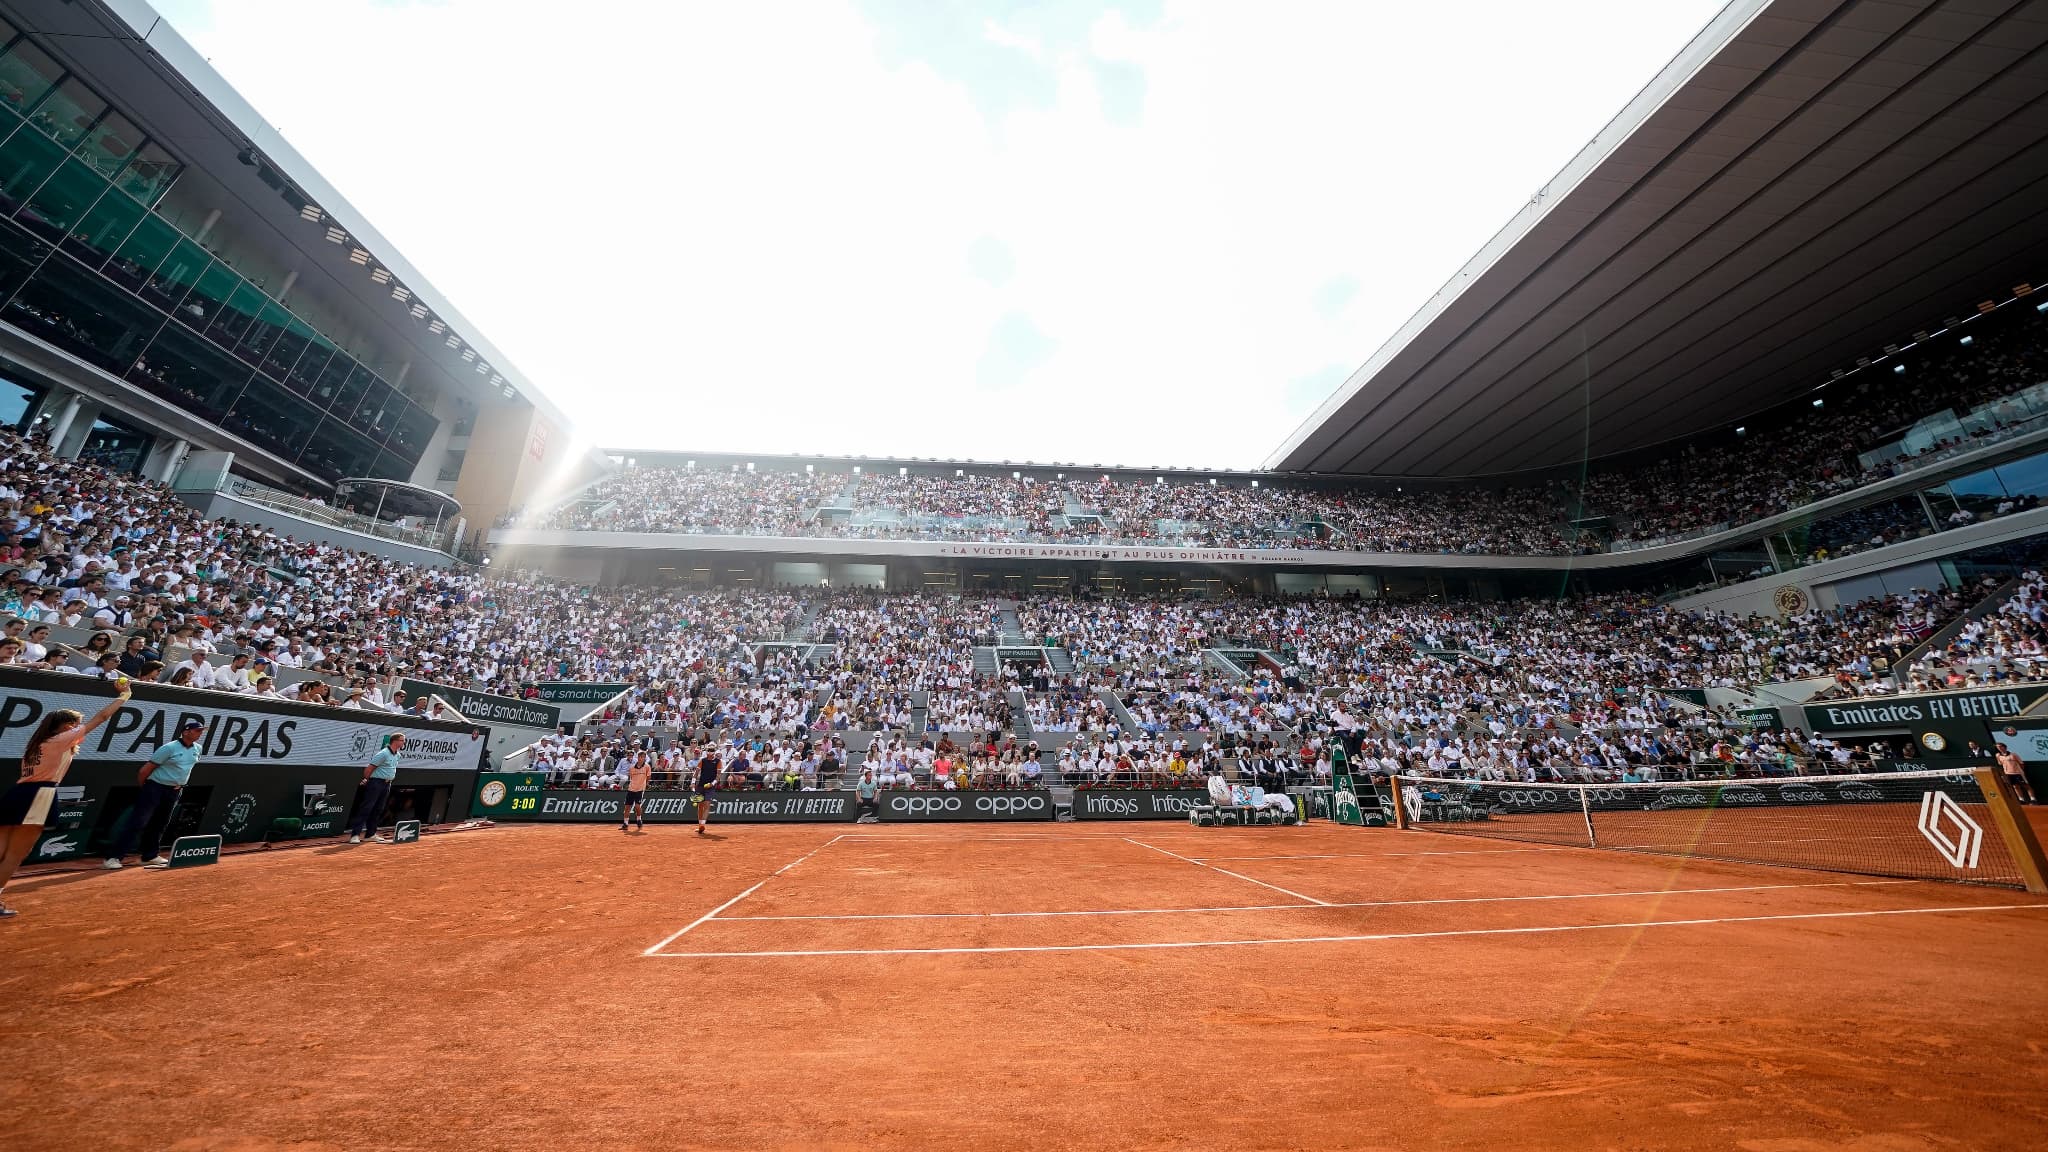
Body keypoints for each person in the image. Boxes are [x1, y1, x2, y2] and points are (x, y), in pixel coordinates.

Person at [0, 681, 130, 915]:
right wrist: (125, 696)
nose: (78, 731)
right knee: (15, 855)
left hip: (18, 793)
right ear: (67, 726)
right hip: (39, 795)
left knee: (2, 849)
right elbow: (101, 717)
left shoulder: (37, 743)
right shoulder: (61, 740)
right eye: (76, 726)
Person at [104, 718, 206, 870]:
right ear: (186, 732)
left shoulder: (198, 748)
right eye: (197, 730)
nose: (200, 733)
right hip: (154, 788)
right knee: (137, 823)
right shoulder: (168, 748)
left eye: (201, 731)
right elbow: (145, 770)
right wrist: (147, 788)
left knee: (160, 823)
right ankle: (113, 858)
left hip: (175, 790)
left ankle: (149, 856)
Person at [349, 734, 405, 845]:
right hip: (376, 783)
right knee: (366, 808)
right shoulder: (383, 753)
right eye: (402, 740)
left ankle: (370, 834)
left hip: (386, 784)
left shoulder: (397, 755)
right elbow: (369, 768)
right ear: (395, 741)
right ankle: (355, 835)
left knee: (378, 809)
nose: (404, 743)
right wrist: (366, 779)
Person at [692, 744, 720, 836]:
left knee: (707, 804)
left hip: (711, 786)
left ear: (714, 752)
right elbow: (696, 773)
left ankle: (703, 824)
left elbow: (718, 776)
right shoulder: (702, 761)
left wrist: (712, 783)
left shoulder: (718, 762)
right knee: (700, 806)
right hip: (701, 785)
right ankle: (700, 826)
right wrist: (693, 782)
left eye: (711, 751)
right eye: (708, 750)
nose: (709, 752)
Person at [621, 751, 651, 832]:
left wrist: (645, 784)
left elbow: (648, 777)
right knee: (627, 807)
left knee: (637, 806)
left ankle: (639, 819)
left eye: (643, 757)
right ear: (638, 758)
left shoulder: (647, 767)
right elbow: (631, 777)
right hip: (631, 789)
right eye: (640, 757)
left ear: (644, 758)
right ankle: (625, 824)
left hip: (640, 789)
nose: (641, 759)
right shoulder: (632, 767)